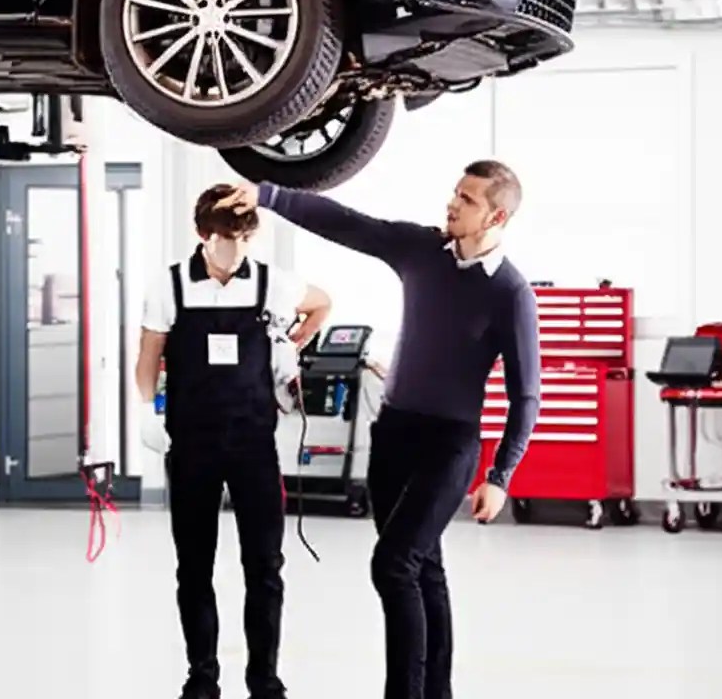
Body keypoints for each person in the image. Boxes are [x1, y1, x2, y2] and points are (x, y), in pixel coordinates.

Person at [223, 160, 541, 699]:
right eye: (455, 192)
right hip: (394, 434)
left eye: (467, 199)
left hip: (450, 444)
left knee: (394, 565)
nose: (452, 204)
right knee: (424, 569)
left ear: (497, 214)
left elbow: (525, 394)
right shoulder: (421, 250)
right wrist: (268, 194)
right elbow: (349, 223)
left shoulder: (510, 292)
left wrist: (501, 474)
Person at [135, 183, 333, 699]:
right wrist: (144, 411)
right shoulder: (170, 286)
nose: (239, 248)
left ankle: (264, 679)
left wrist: (291, 342)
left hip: (253, 447)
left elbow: (323, 303)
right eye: (228, 237)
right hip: (193, 445)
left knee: (264, 566)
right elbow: (147, 360)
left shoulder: (273, 284)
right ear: (203, 234)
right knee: (194, 566)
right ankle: (202, 675)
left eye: (246, 236)